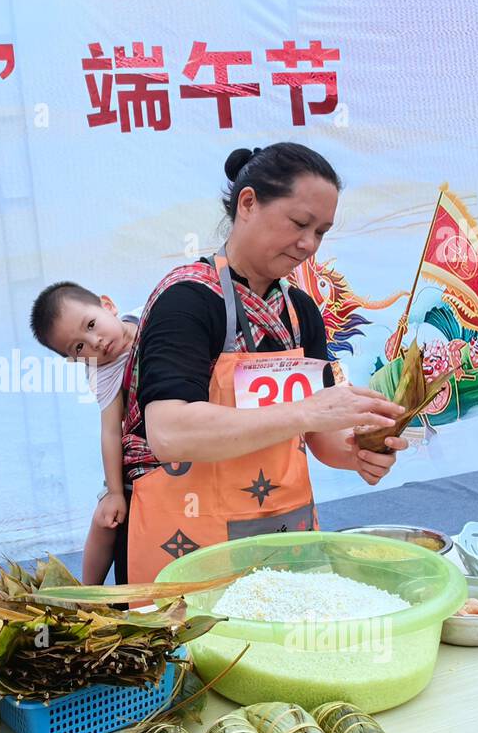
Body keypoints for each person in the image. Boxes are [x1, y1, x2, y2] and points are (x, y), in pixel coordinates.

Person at [118, 143, 409, 582]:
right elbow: (170, 433)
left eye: (322, 232)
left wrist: (360, 450)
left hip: (281, 531)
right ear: (248, 203)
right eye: (299, 223)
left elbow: (320, 438)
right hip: (187, 538)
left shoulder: (301, 312)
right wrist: (306, 410)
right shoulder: (187, 301)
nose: (308, 244)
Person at [30, 282, 140, 584]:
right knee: (106, 519)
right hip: (135, 450)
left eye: (91, 324)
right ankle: (87, 595)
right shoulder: (103, 372)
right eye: (79, 347)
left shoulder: (153, 314)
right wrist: (115, 493)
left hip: (180, 433)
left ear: (108, 305)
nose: (95, 342)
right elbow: (110, 432)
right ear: (74, 360)